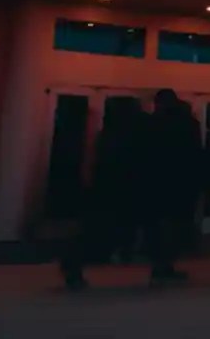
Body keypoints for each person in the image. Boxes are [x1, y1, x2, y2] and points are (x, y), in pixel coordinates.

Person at [61, 98, 180, 290]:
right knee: (150, 229)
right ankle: (162, 267)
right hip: (136, 191)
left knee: (107, 232)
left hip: (117, 192)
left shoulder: (111, 134)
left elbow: (103, 165)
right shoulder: (141, 131)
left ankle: (73, 264)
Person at [146, 89, 204, 269]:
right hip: (183, 181)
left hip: (161, 180)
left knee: (161, 222)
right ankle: (167, 262)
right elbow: (196, 154)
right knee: (177, 221)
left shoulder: (156, 122)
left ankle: (161, 261)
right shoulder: (188, 123)